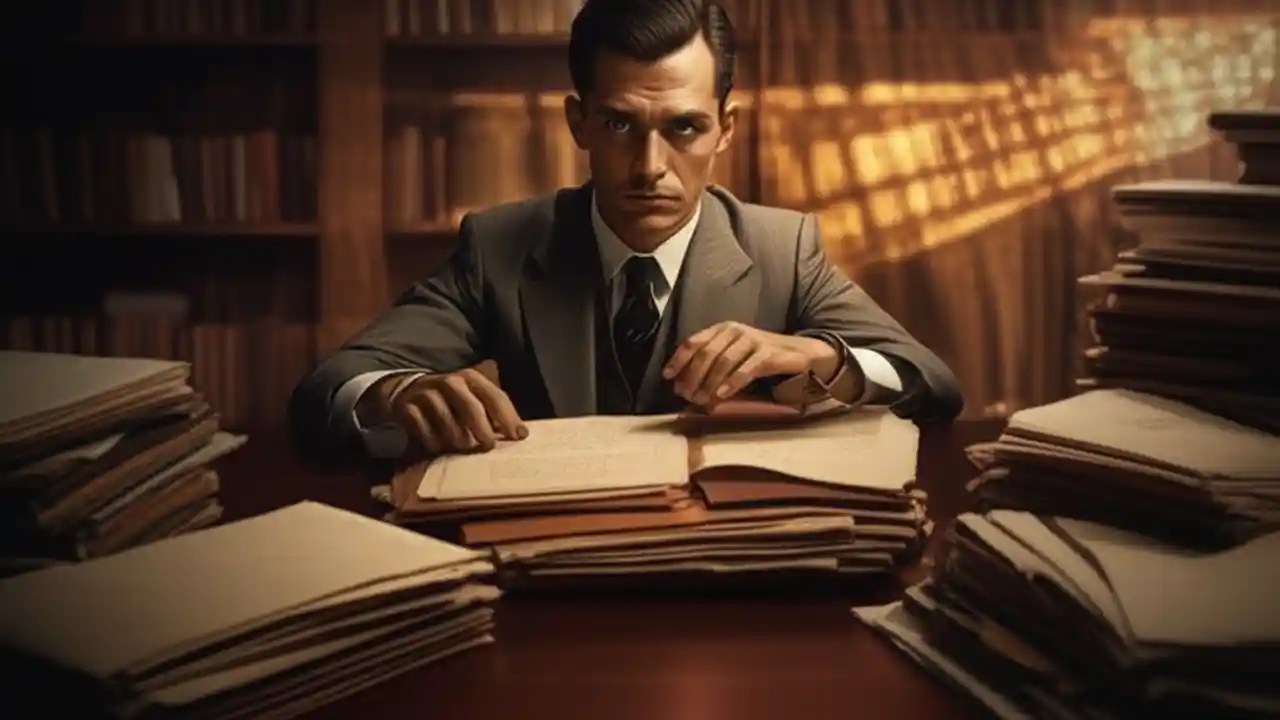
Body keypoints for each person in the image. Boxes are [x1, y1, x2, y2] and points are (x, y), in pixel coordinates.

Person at [289, 0, 963, 465]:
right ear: (577, 123)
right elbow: (327, 390)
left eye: (684, 128)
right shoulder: (497, 245)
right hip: (547, 576)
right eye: (618, 126)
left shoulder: (782, 248)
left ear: (725, 129)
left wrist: (820, 360)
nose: (649, 169)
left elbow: (933, 387)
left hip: (725, 576)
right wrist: (396, 392)